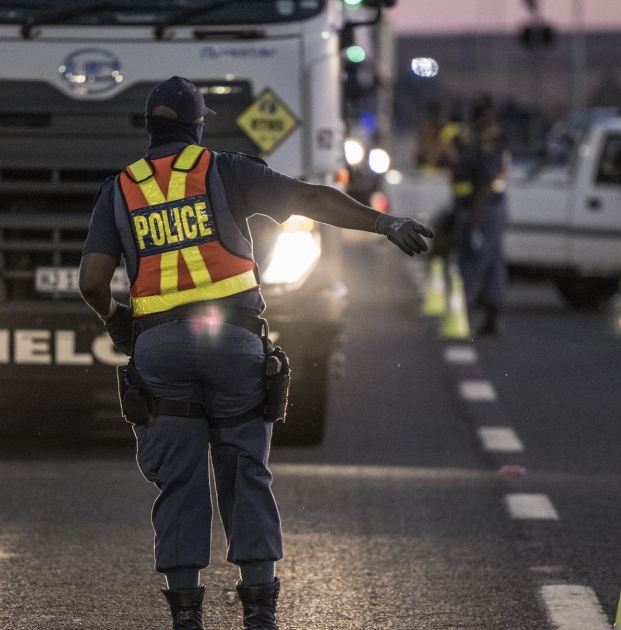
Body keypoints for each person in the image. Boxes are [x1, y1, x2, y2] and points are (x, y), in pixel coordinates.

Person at [78, 76, 433, 630]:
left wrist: (121, 324)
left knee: (179, 477)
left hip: (161, 348)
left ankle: (187, 613)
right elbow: (310, 198)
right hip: (233, 343)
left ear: (150, 130)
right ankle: (259, 610)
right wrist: (384, 222)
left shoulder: (119, 190)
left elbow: (93, 280)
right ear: (198, 127)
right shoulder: (224, 169)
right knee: (245, 467)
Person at [451, 94, 510, 336]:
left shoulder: (485, 143)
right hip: (488, 210)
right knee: (492, 263)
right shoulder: (482, 139)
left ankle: (462, 315)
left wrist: (474, 223)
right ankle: (490, 319)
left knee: (474, 264)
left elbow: (483, 187)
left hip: (481, 212)